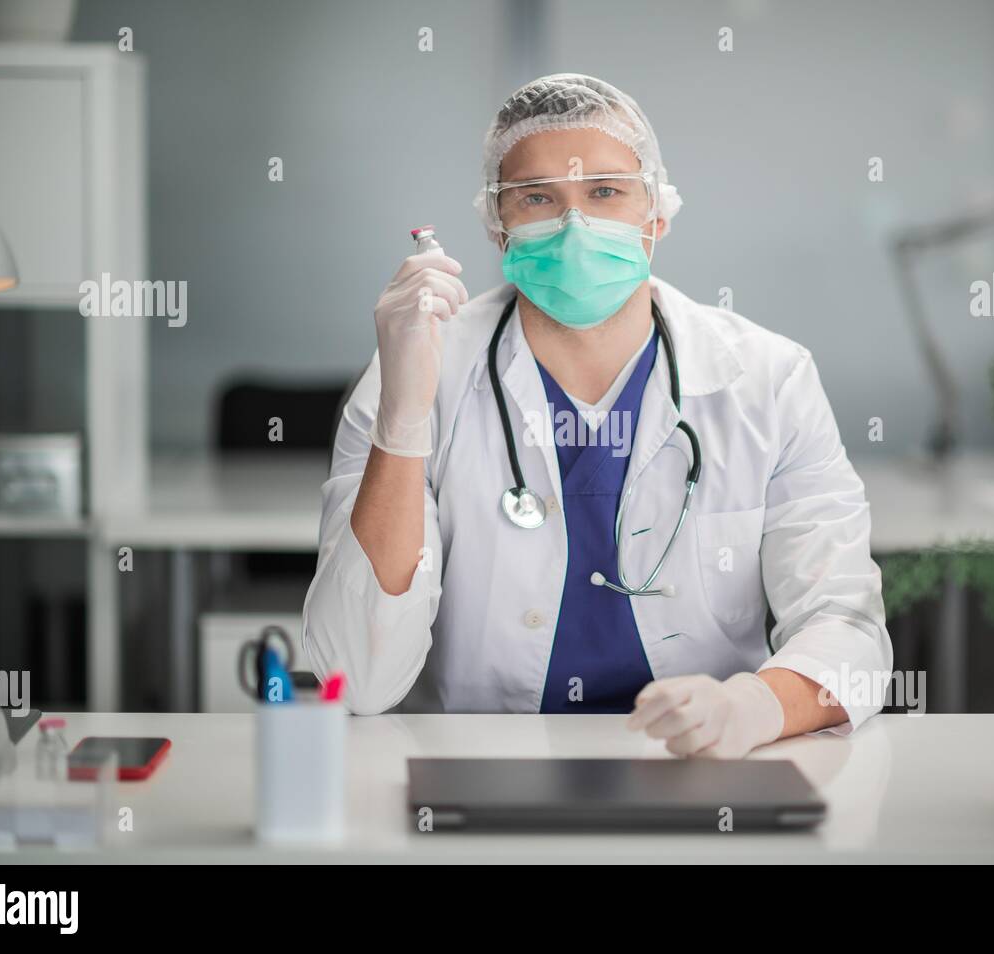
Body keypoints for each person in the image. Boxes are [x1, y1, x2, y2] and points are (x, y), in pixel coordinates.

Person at [303, 73, 892, 758]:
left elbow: (847, 626)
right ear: (498, 225)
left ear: (657, 215)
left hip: (708, 770)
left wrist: (752, 708)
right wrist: (403, 418)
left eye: (605, 191)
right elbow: (359, 677)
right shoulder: (412, 374)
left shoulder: (768, 380)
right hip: (477, 776)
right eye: (537, 198)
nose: (575, 225)